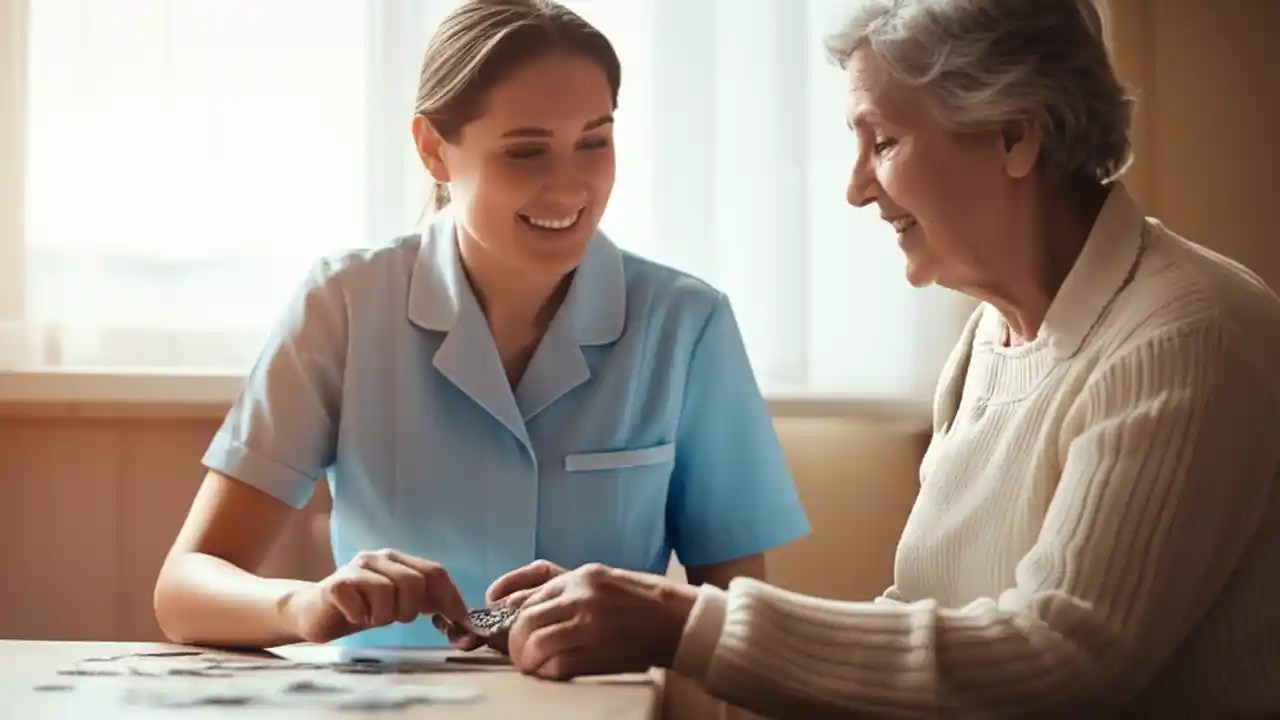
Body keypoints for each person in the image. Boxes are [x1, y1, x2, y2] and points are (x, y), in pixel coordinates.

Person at [487, 0, 1280, 716]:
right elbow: (927, 625)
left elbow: (1062, 660)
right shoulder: (991, 339)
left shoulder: (1183, 335)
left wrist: (682, 622)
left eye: (885, 141)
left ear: (1014, 134)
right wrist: (634, 615)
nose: (857, 188)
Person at [153, 0, 809, 650]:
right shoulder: (344, 304)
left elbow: (732, 627)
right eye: (526, 152)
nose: (571, 185)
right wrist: (304, 605)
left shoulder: (688, 325)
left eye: (594, 141)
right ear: (434, 150)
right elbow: (182, 591)